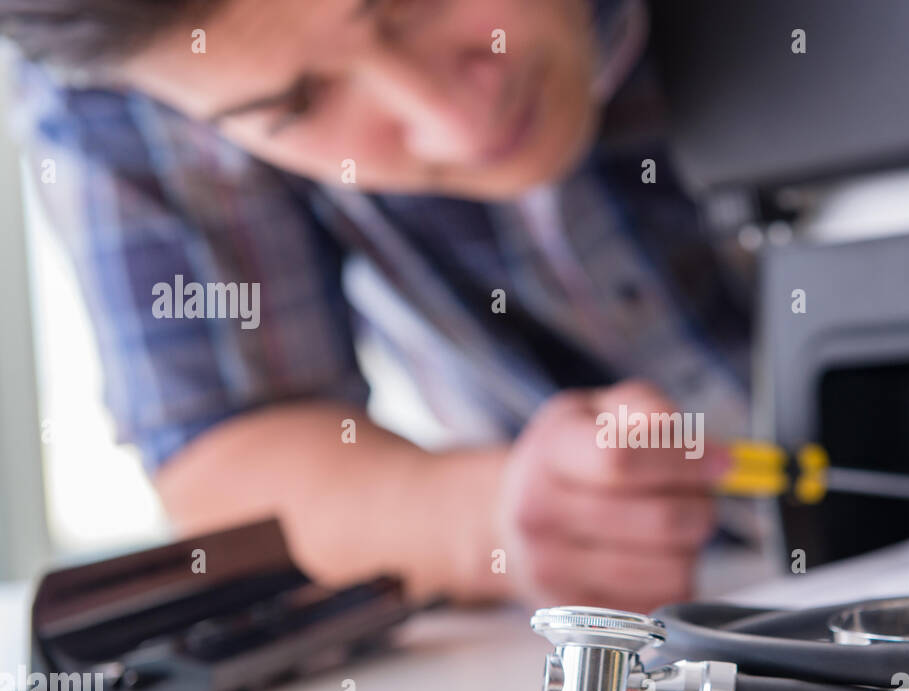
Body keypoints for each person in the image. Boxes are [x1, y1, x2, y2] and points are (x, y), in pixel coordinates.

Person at [2, 0, 754, 611]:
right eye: (298, 103)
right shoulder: (128, 65)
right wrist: (504, 517)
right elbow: (232, 458)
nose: (455, 123)